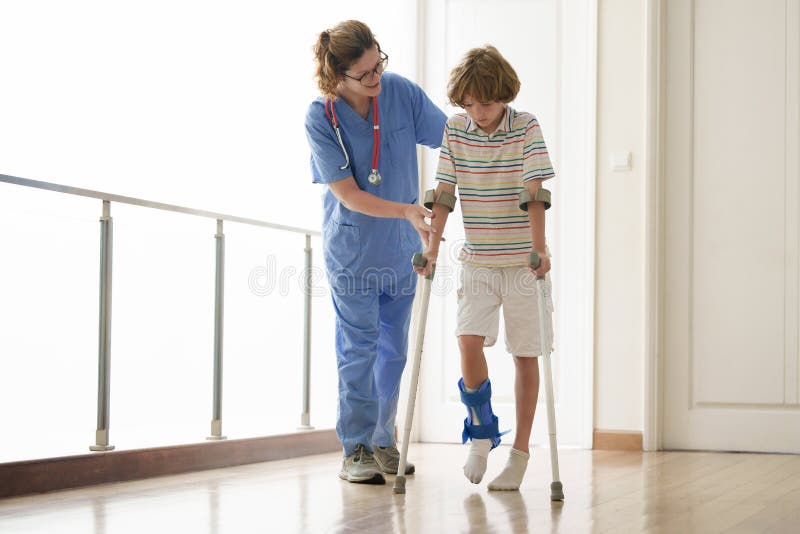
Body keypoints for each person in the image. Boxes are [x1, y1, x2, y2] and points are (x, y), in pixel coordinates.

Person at [305, 20, 447, 485]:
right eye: (363, 74)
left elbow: (452, 138)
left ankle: (384, 438)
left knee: (393, 353)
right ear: (337, 78)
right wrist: (407, 210)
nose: (375, 79)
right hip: (353, 252)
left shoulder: (400, 93)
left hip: (404, 251)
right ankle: (357, 448)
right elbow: (347, 193)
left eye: (378, 64)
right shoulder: (321, 117)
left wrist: (496, 123)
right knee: (358, 351)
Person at [414, 45, 555, 491]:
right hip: (477, 262)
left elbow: (534, 192)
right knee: (467, 341)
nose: (479, 112)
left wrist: (539, 249)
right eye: (469, 103)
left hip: (520, 265)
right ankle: (482, 429)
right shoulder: (456, 130)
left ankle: (520, 453)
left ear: (505, 94)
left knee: (525, 354)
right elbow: (443, 194)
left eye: (487, 102)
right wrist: (433, 250)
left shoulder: (527, 127)